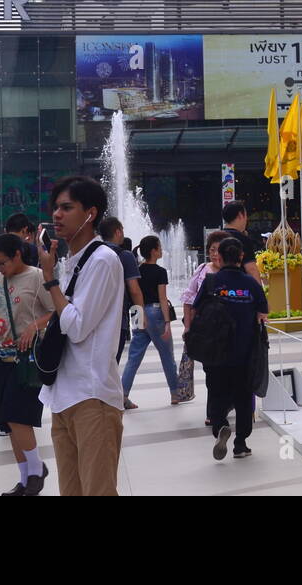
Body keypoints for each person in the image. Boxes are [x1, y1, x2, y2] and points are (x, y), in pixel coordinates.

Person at [38, 176, 126, 496]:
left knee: (98, 491)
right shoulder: (73, 261)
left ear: (90, 214)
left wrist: (50, 280)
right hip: (64, 396)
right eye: (55, 208)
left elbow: (76, 327)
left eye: (66, 207)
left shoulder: (103, 260)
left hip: (93, 397)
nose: (57, 215)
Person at [0, 233, 54, 496]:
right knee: (8, 421)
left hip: (27, 360)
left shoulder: (37, 277)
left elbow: (57, 310)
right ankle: (25, 478)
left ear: (17, 255)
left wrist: (34, 326)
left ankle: (36, 470)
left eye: (2, 263)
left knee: (20, 418)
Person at [197, 237, 267, 461]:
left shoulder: (211, 282)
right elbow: (263, 312)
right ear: (239, 257)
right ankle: (241, 444)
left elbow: (197, 309)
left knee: (216, 394)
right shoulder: (251, 284)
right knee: (243, 398)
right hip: (244, 353)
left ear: (220, 256)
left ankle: (220, 428)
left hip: (215, 352)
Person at [120, 235, 184, 405]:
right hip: (155, 313)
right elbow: (163, 299)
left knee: (134, 356)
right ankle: (175, 393)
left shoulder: (137, 270)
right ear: (154, 251)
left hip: (137, 312)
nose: (162, 250)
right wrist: (167, 322)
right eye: (160, 247)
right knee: (167, 355)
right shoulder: (160, 272)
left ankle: (123, 394)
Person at [97, 218, 147, 393]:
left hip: (94, 319)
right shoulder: (124, 255)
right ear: (118, 232)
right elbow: (134, 290)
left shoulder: (93, 252)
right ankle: (109, 403)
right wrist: (139, 321)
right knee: (111, 365)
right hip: (117, 320)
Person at [182, 231, 226, 420]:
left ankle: (225, 406)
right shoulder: (202, 269)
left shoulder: (233, 271)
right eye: (212, 250)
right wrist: (188, 327)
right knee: (211, 371)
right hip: (206, 330)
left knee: (226, 371)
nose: (215, 254)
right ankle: (213, 413)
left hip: (227, 331)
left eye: (219, 250)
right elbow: (188, 298)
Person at [221, 201, 260, 280]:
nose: (246, 220)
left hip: (219, 286)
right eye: (246, 215)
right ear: (240, 215)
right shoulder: (242, 239)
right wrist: (259, 290)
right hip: (239, 288)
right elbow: (251, 269)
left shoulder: (217, 237)